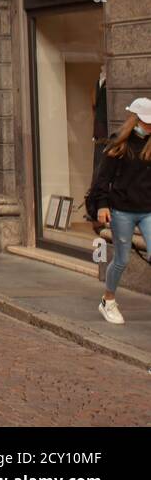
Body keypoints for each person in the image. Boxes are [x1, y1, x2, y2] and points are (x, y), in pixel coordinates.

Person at [90, 98, 151, 325]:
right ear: (134, 120)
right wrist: (103, 206)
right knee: (122, 260)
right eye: (146, 123)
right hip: (122, 210)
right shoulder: (119, 144)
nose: (149, 127)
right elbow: (102, 179)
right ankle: (108, 300)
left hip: (148, 210)